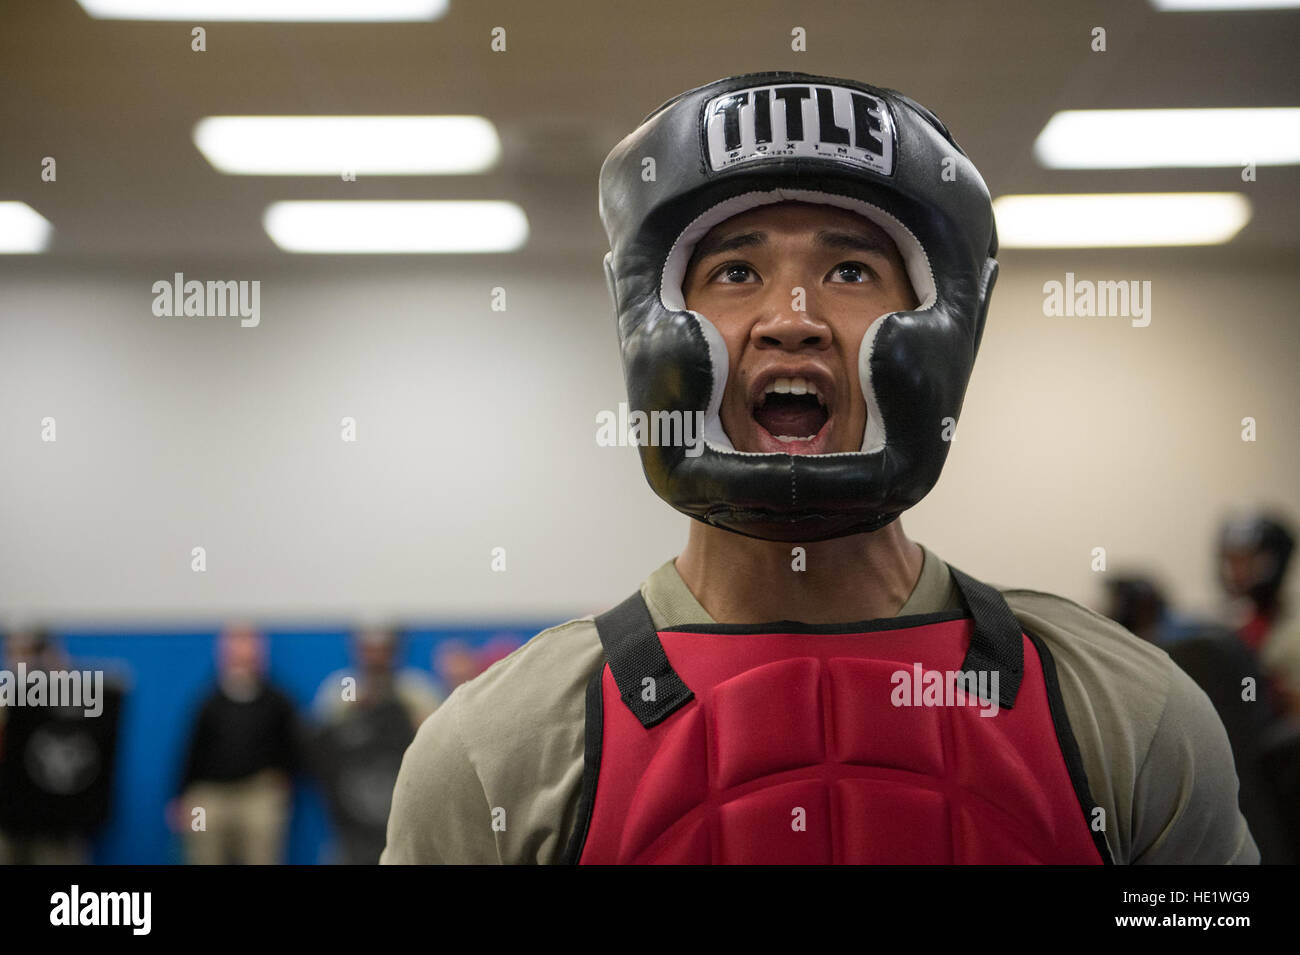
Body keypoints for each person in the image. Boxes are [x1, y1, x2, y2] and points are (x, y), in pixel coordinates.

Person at [383, 71, 1258, 864]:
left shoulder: (1128, 713)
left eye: (849, 268)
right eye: (734, 270)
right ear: (657, 328)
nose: (790, 318)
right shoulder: (495, 749)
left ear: (938, 326)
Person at [172, 624, 300, 865]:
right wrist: (181, 799)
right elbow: (192, 753)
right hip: (211, 796)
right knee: (202, 840)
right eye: (235, 643)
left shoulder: (279, 702)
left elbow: (295, 750)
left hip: (258, 795)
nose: (243, 650)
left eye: (249, 642)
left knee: (263, 836)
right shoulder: (208, 703)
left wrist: (284, 780)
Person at [1218, 512, 1300, 716]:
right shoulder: (1230, 624)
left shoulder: (1292, 633)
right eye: (1231, 560)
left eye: (1246, 560)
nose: (1236, 571)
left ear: (1276, 561)